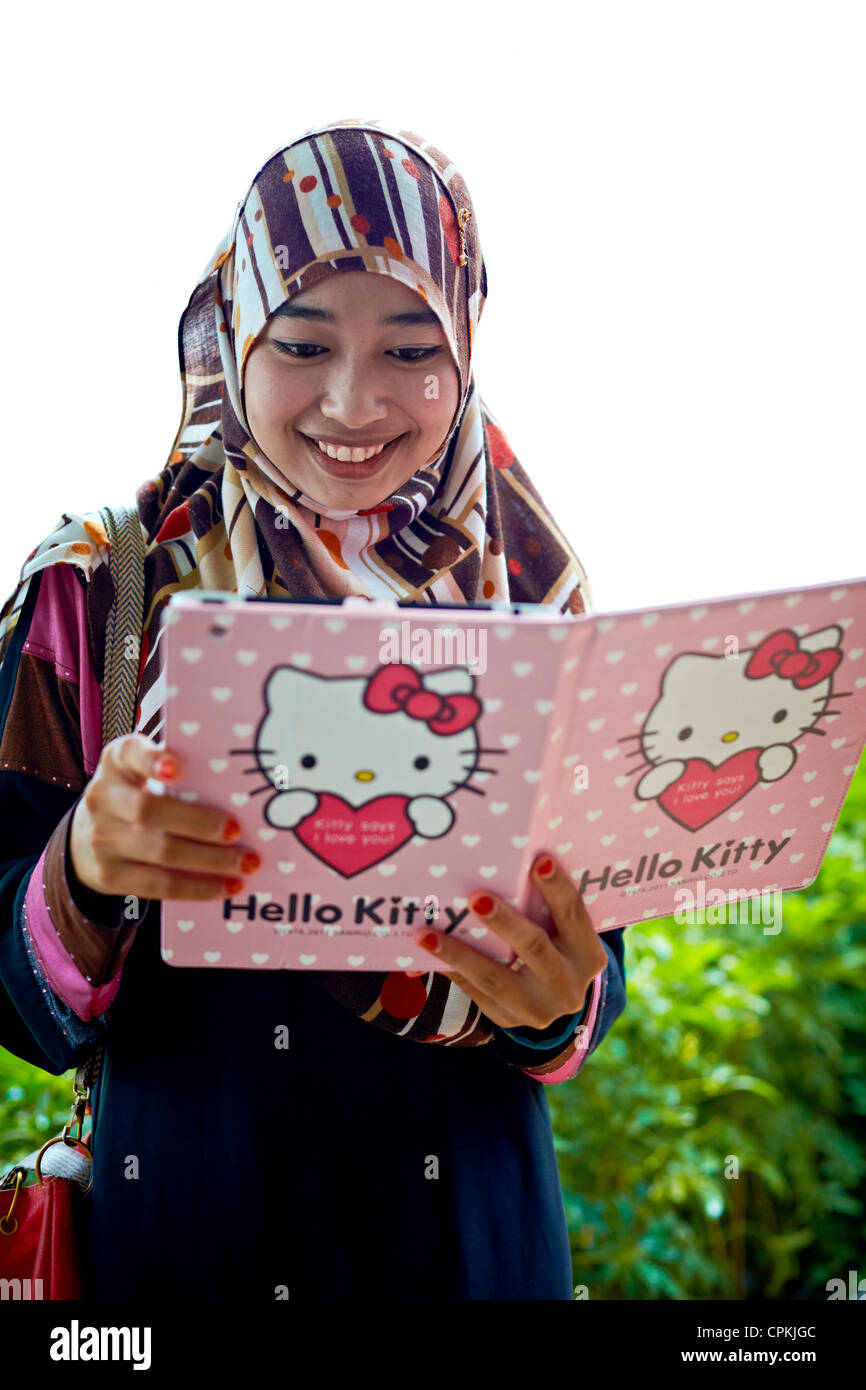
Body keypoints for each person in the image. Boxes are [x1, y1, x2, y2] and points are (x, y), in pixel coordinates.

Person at [0, 117, 627, 1300]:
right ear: (231, 333)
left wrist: (558, 1006)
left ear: (465, 350)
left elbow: (593, 972)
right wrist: (81, 862)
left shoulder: (533, 596)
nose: (352, 401)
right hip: (185, 1241)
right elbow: (5, 978)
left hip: (474, 1252)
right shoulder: (100, 593)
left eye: (408, 348)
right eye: (300, 342)